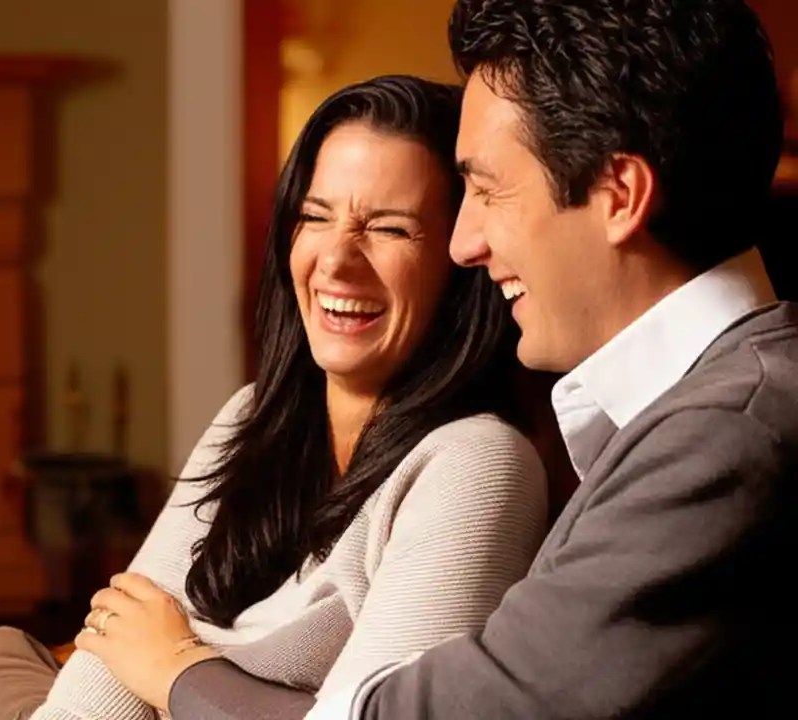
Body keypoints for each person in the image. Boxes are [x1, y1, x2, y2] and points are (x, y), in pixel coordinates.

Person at [161, 1, 797, 718]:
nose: (465, 243)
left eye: (488, 190)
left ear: (619, 196)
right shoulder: (700, 411)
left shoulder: (726, 436)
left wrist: (180, 672)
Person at [0, 74, 547, 719]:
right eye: (315, 216)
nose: (336, 259)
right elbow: (121, 637)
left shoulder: (477, 461)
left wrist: (175, 668)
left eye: (390, 230)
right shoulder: (256, 414)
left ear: (462, 266)